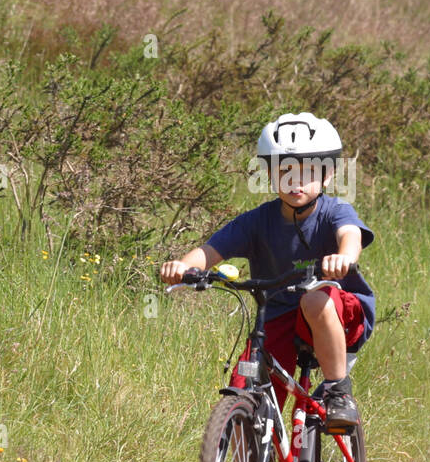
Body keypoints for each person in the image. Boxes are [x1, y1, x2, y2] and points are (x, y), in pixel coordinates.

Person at [158, 112, 375, 430]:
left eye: (307, 172)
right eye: (285, 171)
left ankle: (338, 391)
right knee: (246, 388)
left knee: (315, 300)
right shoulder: (256, 221)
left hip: (338, 311)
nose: (296, 181)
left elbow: (350, 236)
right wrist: (183, 267)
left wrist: (344, 257)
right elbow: (209, 252)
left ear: (327, 175)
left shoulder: (336, 211)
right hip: (277, 317)